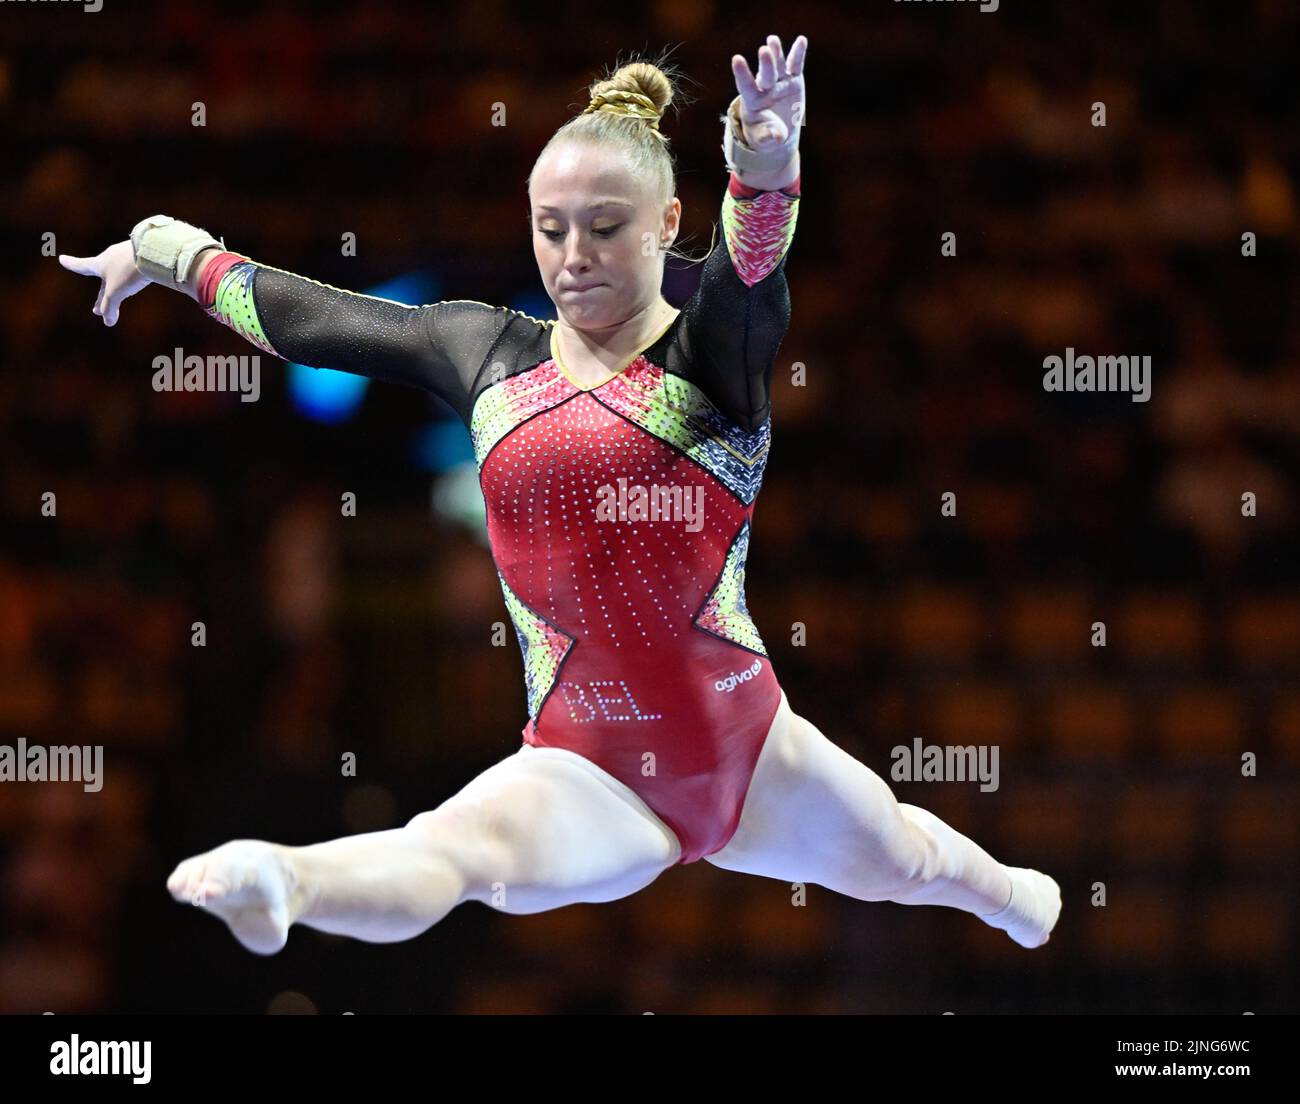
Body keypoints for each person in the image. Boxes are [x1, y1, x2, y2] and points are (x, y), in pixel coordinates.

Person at [60, 35, 1061, 960]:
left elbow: (753, 274)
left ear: (669, 222)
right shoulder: (486, 352)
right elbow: (317, 321)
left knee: (910, 864)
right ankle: (282, 878)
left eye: (604, 226)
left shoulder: (707, 359)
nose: (572, 255)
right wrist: (164, 249)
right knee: (450, 853)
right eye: (551, 228)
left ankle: (1015, 894)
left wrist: (762, 172)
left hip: (753, 755)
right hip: (584, 765)